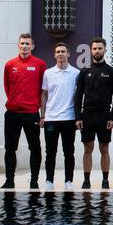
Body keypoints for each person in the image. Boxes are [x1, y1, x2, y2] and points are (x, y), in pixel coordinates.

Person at [1, 33, 45, 190]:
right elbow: (7, 87)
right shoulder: (9, 64)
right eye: (22, 43)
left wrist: (41, 112)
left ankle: (34, 181)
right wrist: (15, 102)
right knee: (10, 148)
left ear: (32, 46)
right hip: (12, 113)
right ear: (18, 45)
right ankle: (9, 180)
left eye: (27, 44)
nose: (24, 46)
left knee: (35, 148)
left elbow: (43, 90)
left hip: (31, 113)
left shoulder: (40, 64)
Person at [75, 36, 113, 191]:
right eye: (94, 48)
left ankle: (105, 180)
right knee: (88, 148)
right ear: (91, 51)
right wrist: (78, 117)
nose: (97, 51)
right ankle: (86, 180)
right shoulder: (85, 72)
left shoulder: (112, 72)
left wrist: (112, 117)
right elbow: (78, 96)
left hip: (105, 115)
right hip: (87, 115)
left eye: (100, 48)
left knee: (104, 148)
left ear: (105, 50)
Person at [40, 42, 79, 189]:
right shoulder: (48, 73)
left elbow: (78, 96)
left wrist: (78, 117)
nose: (61, 54)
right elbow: (44, 94)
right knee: (50, 152)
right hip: (51, 119)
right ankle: (49, 181)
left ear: (68, 54)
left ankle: (68, 181)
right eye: (58, 52)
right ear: (54, 55)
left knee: (69, 152)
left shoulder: (75, 73)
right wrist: (43, 115)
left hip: (69, 118)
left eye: (63, 51)